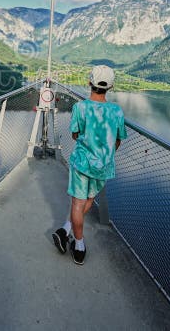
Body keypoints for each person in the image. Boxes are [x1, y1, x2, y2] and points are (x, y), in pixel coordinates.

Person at [52, 65, 126, 265]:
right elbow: (118, 140)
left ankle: (78, 245)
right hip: (102, 166)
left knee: (77, 204)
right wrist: (105, 154)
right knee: (89, 201)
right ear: (110, 87)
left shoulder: (81, 107)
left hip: (82, 162)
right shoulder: (116, 111)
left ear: (89, 83)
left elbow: (75, 135)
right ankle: (66, 230)